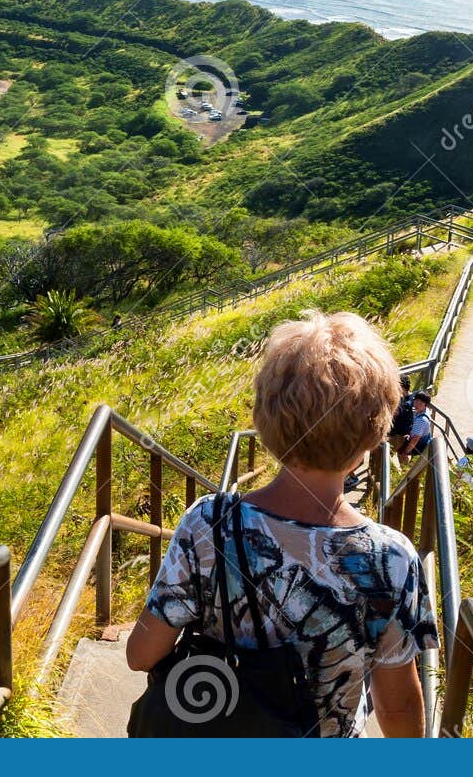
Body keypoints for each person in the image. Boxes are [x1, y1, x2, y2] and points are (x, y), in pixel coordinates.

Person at [126, 310, 438, 738]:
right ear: (373, 437)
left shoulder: (209, 522)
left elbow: (141, 655)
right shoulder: (393, 559)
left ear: (264, 421)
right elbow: (399, 704)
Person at [399, 391, 435, 464]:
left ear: (426, 405)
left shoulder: (421, 420)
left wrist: (406, 452)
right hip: (421, 445)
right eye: (416, 401)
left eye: (420, 403)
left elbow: (415, 439)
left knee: (407, 464)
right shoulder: (422, 411)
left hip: (419, 449)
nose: (417, 404)